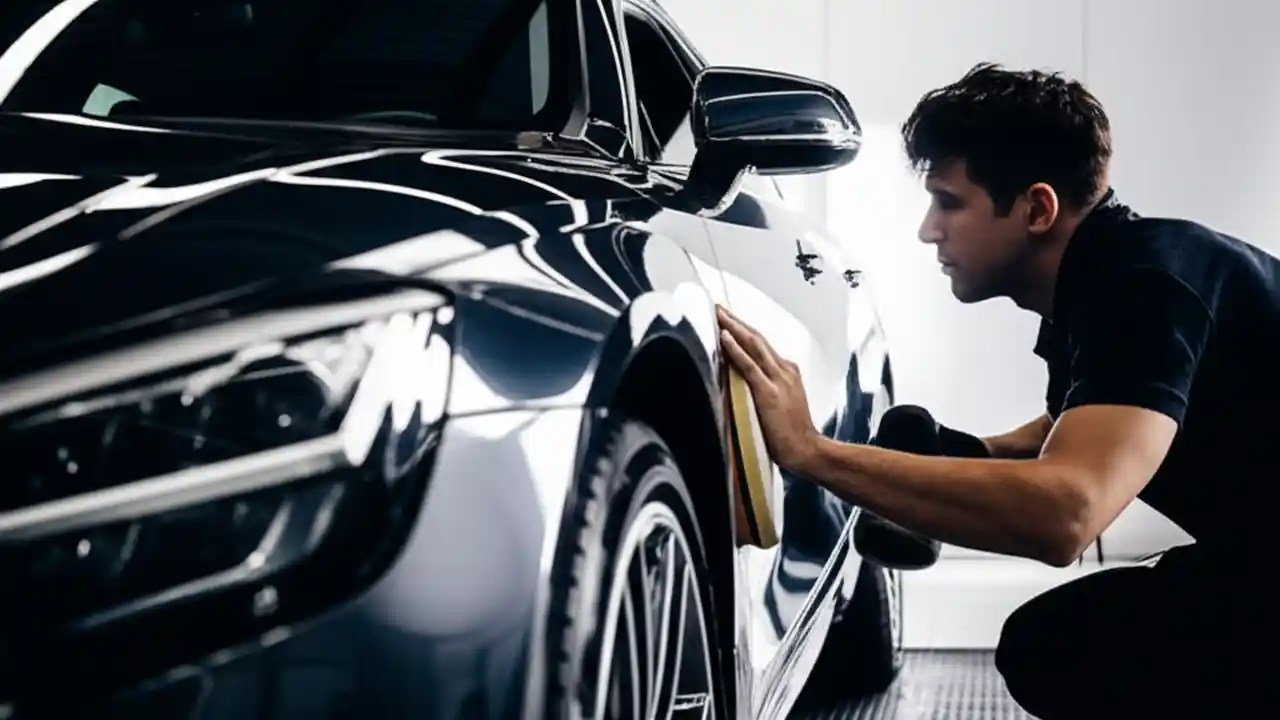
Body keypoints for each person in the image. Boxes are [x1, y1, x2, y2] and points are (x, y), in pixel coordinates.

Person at [715, 61, 1277, 718]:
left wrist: (812, 453)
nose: (929, 229)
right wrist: (969, 453)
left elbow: (1066, 515)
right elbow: (1093, 421)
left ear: (1036, 208)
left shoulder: (1146, 288)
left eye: (949, 202)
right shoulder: (1114, 277)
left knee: (1066, 646)